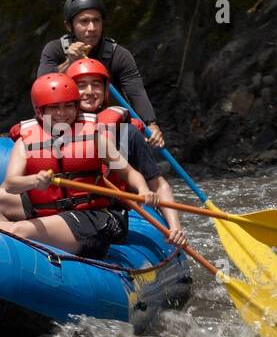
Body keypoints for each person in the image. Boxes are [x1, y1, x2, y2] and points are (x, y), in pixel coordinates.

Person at [0, 73, 156, 257]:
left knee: (20, 231)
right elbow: (10, 184)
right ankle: (5, 263)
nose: (62, 113)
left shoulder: (93, 136)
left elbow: (129, 173)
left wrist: (143, 189)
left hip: (91, 218)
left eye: (68, 106)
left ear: (77, 106)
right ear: (40, 110)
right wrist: (35, 181)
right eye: (54, 107)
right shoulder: (26, 141)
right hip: (50, 212)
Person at [66, 57, 187, 248]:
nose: (89, 92)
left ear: (105, 90)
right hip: (69, 210)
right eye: (81, 86)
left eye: (96, 85)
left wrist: (175, 228)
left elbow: (158, 185)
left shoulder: (126, 133)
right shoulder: (56, 131)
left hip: (108, 214)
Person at [36, 0, 166, 148]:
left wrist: (151, 124)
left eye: (96, 21)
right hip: (67, 127)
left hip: (107, 129)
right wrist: (69, 62)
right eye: (84, 22)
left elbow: (136, 92)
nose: (91, 28)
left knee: (133, 136)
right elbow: (41, 86)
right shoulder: (54, 50)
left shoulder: (118, 55)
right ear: (69, 26)